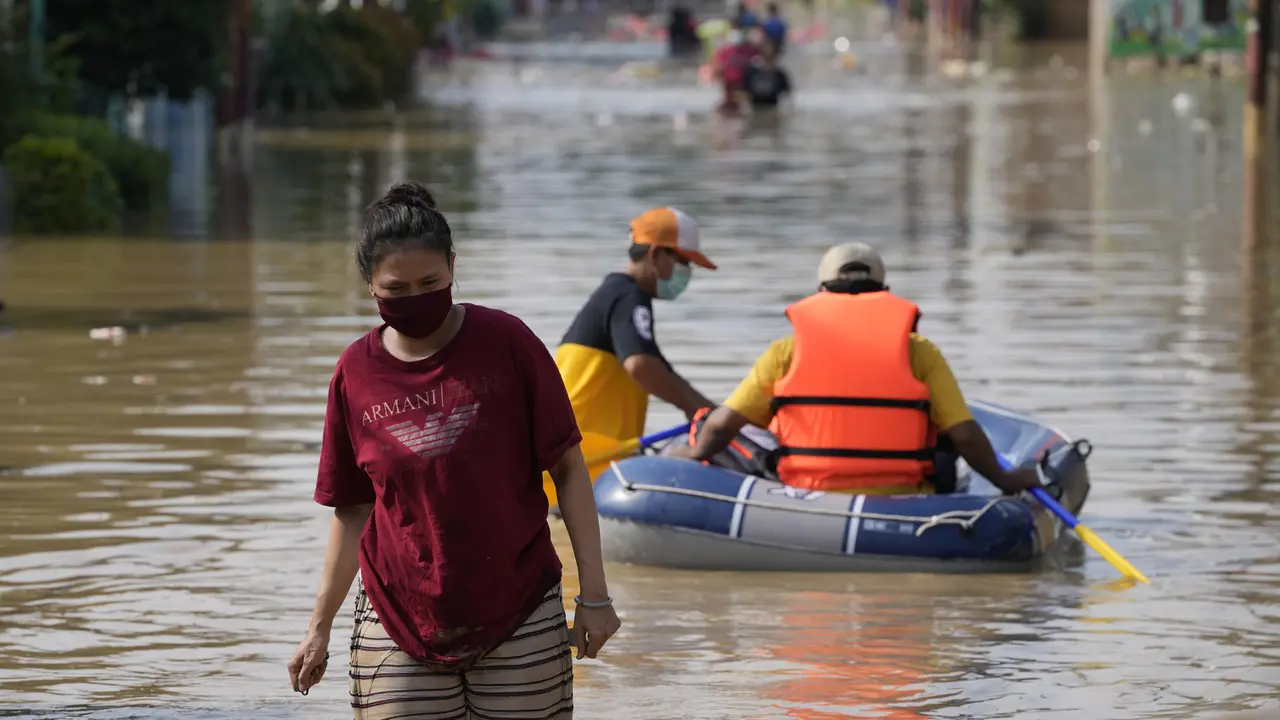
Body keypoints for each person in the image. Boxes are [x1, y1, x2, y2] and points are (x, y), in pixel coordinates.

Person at [287, 182, 620, 719]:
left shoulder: (507, 344)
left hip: (519, 608)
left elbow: (568, 468)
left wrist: (596, 596)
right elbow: (352, 509)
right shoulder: (355, 373)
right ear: (370, 285)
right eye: (397, 287)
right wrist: (318, 628)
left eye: (430, 282)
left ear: (453, 268)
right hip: (396, 613)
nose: (416, 297)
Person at [668, 242, 1041, 496]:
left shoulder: (786, 351)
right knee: (939, 430)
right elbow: (967, 437)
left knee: (706, 423)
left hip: (807, 493)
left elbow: (721, 426)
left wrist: (694, 453)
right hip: (903, 495)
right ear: (883, 290)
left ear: (821, 291)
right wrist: (1006, 480)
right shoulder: (920, 353)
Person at [555, 207, 717, 446]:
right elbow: (641, 365)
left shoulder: (616, 296)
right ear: (655, 254)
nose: (687, 273)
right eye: (683, 261)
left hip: (581, 453)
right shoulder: (629, 297)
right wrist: (695, 410)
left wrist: (711, 413)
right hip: (584, 458)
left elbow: (661, 371)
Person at [713, 28, 760, 114]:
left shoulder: (749, 50)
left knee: (741, 106)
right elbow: (719, 67)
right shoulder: (725, 52)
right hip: (731, 83)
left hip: (743, 83)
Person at [739, 39, 792, 113]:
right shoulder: (752, 71)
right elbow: (744, 90)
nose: (768, 53)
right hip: (755, 109)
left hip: (772, 109)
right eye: (765, 50)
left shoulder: (780, 74)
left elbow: (787, 95)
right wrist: (744, 107)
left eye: (770, 50)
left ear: (775, 54)